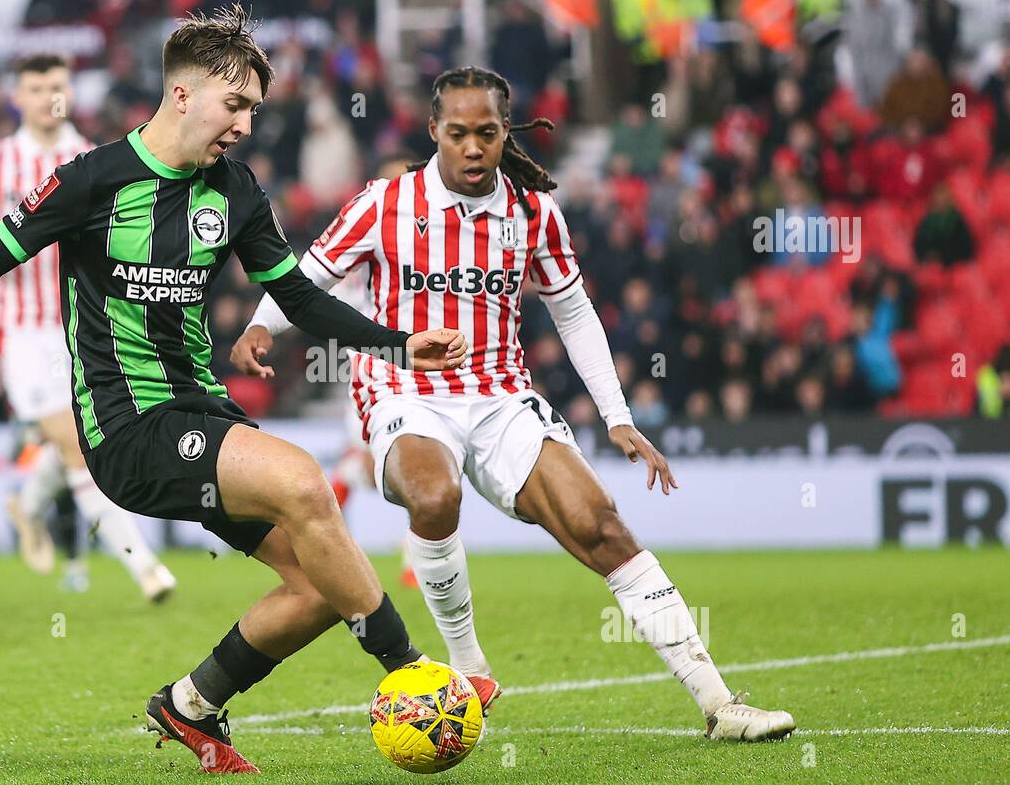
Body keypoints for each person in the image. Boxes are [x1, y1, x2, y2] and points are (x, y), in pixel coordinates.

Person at [0, 5, 466, 773]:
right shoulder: (91, 181)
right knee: (305, 480)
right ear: (182, 94)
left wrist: (400, 343)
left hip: (202, 410)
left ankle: (191, 706)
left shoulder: (235, 191)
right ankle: (414, 679)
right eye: (234, 104)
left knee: (318, 586)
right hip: (126, 428)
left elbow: (301, 298)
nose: (244, 124)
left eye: (253, 110)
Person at [233, 66, 796, 741]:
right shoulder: (383, 204)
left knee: (603, 526)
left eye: (489, 133)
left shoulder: (532, 212)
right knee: (434, 495)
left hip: (501, 397)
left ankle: (719, 704)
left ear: (508, 132)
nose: (474, 148)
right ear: (435, 131)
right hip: (403, 391)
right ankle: (467, 666)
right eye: (460, 133)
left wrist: (618, 417)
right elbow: (306, 278)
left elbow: (574, 312)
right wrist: (263, 322)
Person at [0, 53, 174, 600]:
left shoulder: (89, 159)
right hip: (20, 330)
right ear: (18, 97)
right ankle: (145, 568)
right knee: (71, 440)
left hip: (86, 321)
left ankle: (29, 504)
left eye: (56, 87)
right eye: (35, 88)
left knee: (89, 436)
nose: (46, 97)